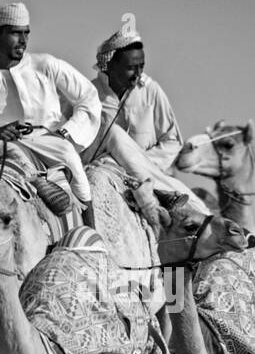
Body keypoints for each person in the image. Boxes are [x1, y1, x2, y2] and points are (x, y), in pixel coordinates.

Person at [0, 2, 101, 225]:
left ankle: (92, 233)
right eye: (15, 33)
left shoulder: (47, 65)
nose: (23, 40)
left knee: (70, 159)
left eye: (26, 33)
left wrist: (65, 134)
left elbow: (88, 97)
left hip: (45, 143)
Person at [89, 28, 208, 214]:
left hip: (151, 177)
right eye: (130, 68)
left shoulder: (151, 91)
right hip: (102, 172)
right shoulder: (89, 94)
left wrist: (136, 162)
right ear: (110, 65)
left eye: (141, 67)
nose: (138, 74)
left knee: (192, 217)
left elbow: (173, 141)